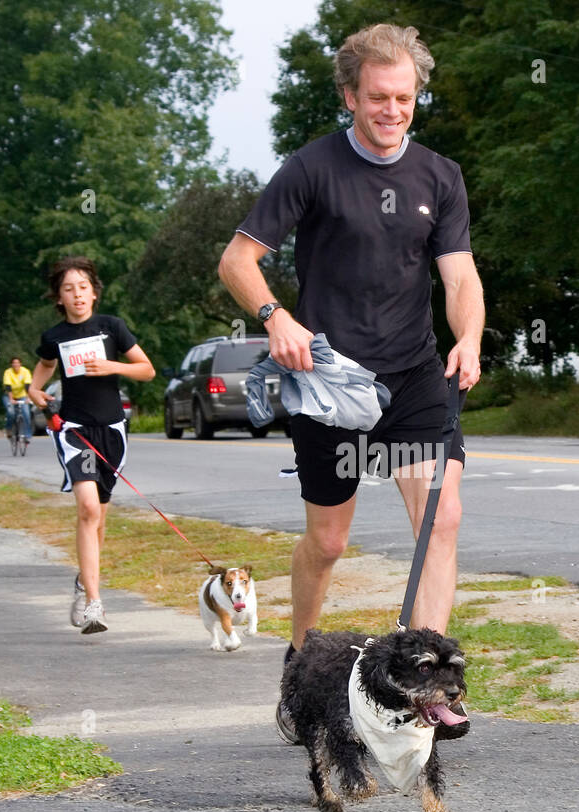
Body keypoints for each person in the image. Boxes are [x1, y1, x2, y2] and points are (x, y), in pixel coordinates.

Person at [217, 23, 484, 675]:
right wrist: (276, 315)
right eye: (378, 98)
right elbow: (237, 260)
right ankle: (301, 660)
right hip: (329, 381)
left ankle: (426, 673)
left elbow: (459, 275)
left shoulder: (439, 177)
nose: (392, 111)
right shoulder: (311, 168)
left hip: (416, 374)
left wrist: (469, 336)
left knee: (440, 517)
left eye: (404, 97)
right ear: (349, 96)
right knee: (329, 540)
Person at [28, 256, 154, 635]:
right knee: (86, 509)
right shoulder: (54, 336)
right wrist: (34, 391)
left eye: (83, 287)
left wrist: (112, 367)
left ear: (94, 293)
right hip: (74, 429)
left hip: (112, 431)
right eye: (69, 289)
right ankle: (94, 604)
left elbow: (145, 369)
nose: (77, 295)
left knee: (98, 515)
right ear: (59, 298)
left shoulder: (112, 327)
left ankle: (85, 579)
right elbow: (45, 367)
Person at [2, 355, 34, 451]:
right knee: (11, 412)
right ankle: (9, 429)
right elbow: (8, 387)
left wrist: (28, 398)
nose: (16, 365)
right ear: (11, 364)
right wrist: (11, 399)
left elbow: (27, 386)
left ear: (20, 364)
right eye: (14, 363)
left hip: (22, 395)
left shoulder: (25, 371)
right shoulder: (8, 372)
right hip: (9, 396)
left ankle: (27, 435)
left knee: (26, 413)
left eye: (17, 363)